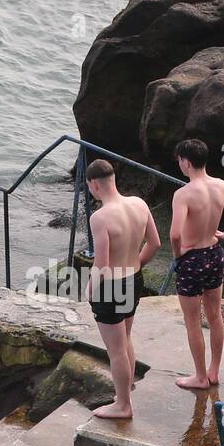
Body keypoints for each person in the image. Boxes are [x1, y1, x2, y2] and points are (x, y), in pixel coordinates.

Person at [169, 139, 224, 390]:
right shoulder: (221, 186)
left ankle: (199, 377)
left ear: (186, 162)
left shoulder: (183, 194)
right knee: (215, 315)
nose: (180, 165)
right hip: (214, 253)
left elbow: (175, 234)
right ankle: (214, 371)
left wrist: (178, 255)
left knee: (193, 321)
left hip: (192, 259)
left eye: (179, 161)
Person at [84, 159, 161, 419]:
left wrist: (90, 290)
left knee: (115, 350)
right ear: (113, 179)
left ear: (94, 185)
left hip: (112, 287)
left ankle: (123, 406)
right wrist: (136, 265)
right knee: (125, 339)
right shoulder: (139, 204)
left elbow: (102, 263)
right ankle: (124, 391)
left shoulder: (100, 217)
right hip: (134, 279)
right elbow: (155, 243)